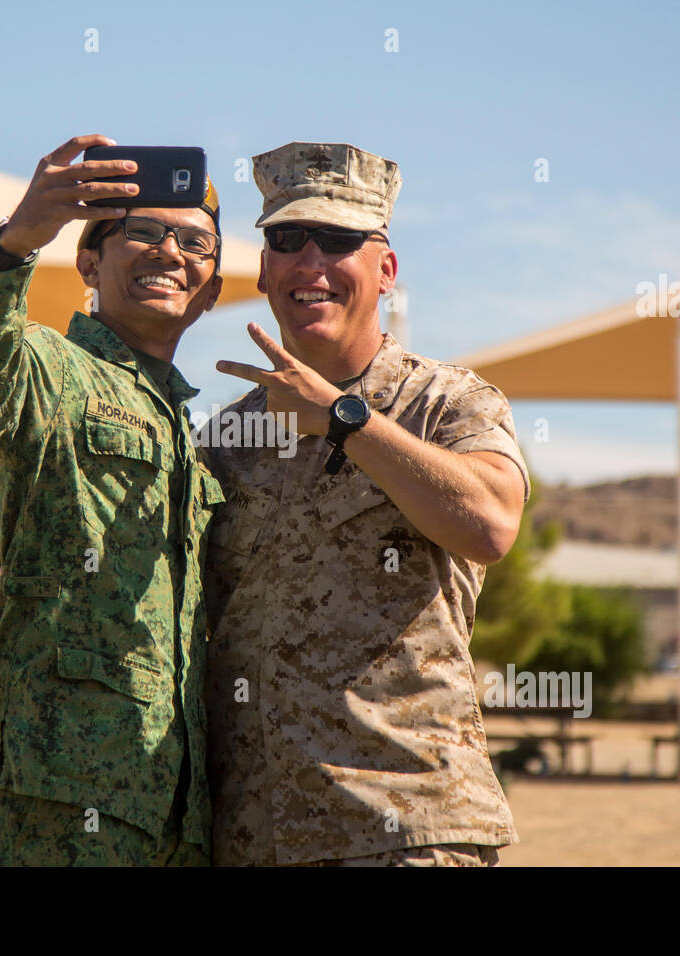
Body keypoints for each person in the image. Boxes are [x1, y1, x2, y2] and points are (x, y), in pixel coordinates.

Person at [203, 142, 531, 866]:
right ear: (263, 269)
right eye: (287, 239)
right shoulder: (226, 439)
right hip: (253, 839)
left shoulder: (448, 403)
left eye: (341, 241)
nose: (310, 261)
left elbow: (492, 525)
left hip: (404, 828)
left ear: (385, 270)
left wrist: (345, 420)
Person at [0, 134, 225, 866]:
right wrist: (15, 243)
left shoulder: (194, 436)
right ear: (89, 259)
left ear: (211, 289)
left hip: (172, 818)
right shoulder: (55, 369)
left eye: (194, 242)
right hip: (47, 803)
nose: (169, 252)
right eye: (143, 232)